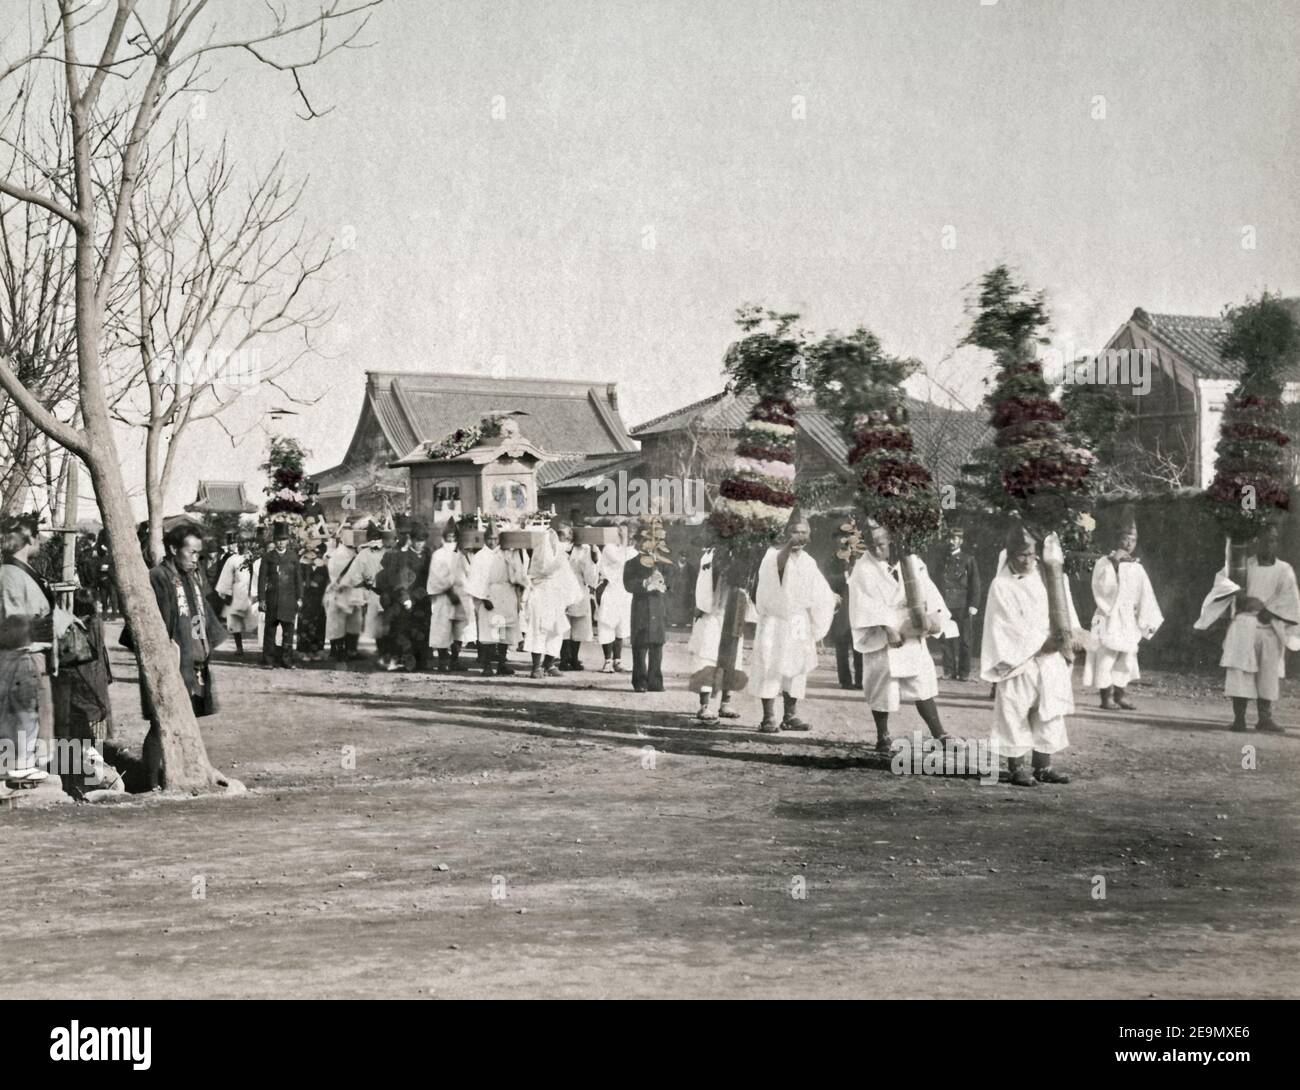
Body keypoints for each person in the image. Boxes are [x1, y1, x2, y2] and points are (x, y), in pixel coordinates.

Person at [980, 525, 1080, 787]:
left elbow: (1064, 607)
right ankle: (1016, 767)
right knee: (1015, 710)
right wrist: (1039, 644)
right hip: (1018, 659)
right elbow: (1004, 625)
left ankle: (1043, 765)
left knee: (1049, 710)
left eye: (1031, 554)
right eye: (1021, 555)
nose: (1027, 560)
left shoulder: (1047, 577)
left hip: (1049, 656)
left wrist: (1066, 638)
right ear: (1010, 554)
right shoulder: (1001, 585)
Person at [849, 517, 952, 754]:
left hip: (912, 630)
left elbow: (928, 589)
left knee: (922, 682)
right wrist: (886, 627)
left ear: (891, 540)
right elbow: (862, 604)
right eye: (871, 545)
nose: (877, 549)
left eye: (881, 543)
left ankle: (939, 732)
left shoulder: (912, 561)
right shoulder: (863, 569)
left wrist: (934, 615)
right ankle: (882, 735)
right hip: (883, 635)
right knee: (882, 685)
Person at [1194, 522, 1299, 733]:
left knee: (1268, 674)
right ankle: (1239, 719)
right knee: (1240, 672)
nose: (1270, 544)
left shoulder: (1284, 569)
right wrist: (1240, 595)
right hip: (1243, 626)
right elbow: (1222, 582)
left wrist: (1267, 609)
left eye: (1274, 540)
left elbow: (1291, 599)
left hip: (1269, 627)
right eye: (1266, 539)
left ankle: (1264, 718)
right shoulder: (1242, 565)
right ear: (1256, 541)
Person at [141, 522, 224, 789]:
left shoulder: (192, 577)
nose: (195, 558)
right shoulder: (159, 577)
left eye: (199, 553)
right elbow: (156, 627)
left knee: (189, 719)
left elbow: (201, 618)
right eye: (191, 552)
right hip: (172, 663)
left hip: (194, 660)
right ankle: (151, 778)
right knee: (161, 721)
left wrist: (202, 646)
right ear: (174, 549)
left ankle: (184, 771)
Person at [747, 508, 836, 733]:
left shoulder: (808, 561)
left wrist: (831, 599)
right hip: (775, 621)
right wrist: (788, 545)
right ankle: (768, 717)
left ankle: (790, 715)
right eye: (795, 532)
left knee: (797, 666)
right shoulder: (772, 554)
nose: (800, 536)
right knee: (771, 664)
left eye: (804, 532)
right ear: (786, 532)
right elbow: (779, 566)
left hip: (798, 621)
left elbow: (819, 591)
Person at [1083, 514, 1163, 709]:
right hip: (1107, 614)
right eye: (1125, 539)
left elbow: (1146, 594)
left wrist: (1144, 618)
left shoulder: (1137, 567)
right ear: (1116, 539)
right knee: (1106, 655)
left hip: (1127, 618)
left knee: (1126, 656)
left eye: (1133, 540)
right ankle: (1106, 697)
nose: (1129, 543)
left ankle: (1121, 694)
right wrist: (1114, 565)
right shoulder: (1104, 563)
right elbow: (1101, 588)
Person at [52, 587, 123, 798]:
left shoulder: (76, 633)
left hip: (81, 697)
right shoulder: (95, 627)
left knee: (75, 743)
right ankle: (89, 782)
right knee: (91, 744)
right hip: (96, 696)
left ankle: (76, 784)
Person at [0, 512, 55, 783]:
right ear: (27, 538)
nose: (40, 541)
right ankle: (19, 765)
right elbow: (14, 619)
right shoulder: (9, 574)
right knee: (21, 711)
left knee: (33, 712)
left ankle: (29, 762)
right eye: (36, 535)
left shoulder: (21, 572)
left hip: (34, 650)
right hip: (23, 652)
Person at [687, 545, 748, 722]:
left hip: (734, 611)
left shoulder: (746, 554)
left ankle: (726, 703)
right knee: (708, 657)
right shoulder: (710, 555)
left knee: (733, 657)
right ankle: (704, 706)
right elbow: (706, 586)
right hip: (712, 613)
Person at [521, 521, 584, 678]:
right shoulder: (545, 543)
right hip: (541, 591)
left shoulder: (561, 552)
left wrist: (570, 596)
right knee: (539, 629)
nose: (566, 538)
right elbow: (544, 568)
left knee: (557, 630)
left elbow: (566, 575)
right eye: (563, 534)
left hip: (556, 594)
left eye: (568, 535)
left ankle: (549, 664)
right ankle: (536, 668)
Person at [465, 518, 526, 676]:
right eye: (490, 539)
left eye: (495, 539)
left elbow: (517, 573)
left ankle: (501, 664)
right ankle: (486, 665)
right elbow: (475, 580)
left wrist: (517, 554)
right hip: (489, 595)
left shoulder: (507, 554)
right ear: (485, 539)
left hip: (506, 593)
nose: (493, 542)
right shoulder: (480, 557)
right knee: (488, 632)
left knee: (503, 632)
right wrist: (483, 598)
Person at [623, 533, 672, 692]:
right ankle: (640, 681)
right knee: (640, 644)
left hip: (658, 606)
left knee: (657, 645)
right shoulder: (632, 563)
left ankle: (655, 682)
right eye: (644, 541)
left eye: (651, 540)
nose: (648, 543)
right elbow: (628, 584)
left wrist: (664, 583)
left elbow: (672, 582)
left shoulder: (663, 562)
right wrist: (645, 583)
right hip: (641, 606)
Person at [932, 524, 981, 681]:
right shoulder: (942, 559)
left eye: (955, 538)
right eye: (950, 538)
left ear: (961, 541)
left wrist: (974, 604)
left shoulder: (968, 559)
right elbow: (936, 581)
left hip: (963, 605)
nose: (952, 541)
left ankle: (964, 673)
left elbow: (975, 583)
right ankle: (948, 671)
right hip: (946, 604)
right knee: (946, 638)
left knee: (965, 641)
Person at [375, 516, 425, 671]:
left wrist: (416, 595)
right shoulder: (392, 554)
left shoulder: (415, 555)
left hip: (414, 598)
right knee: (396, 629)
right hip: (396, 599)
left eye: (408, 534)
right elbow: (387, 577)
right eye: (402, 533)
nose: (405, 537)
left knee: (413, 629)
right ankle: (395, 658)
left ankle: (413, 659)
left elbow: (421, 577)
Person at [427, 518, 472, 672]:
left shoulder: (461, 554)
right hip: (444, 596)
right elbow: (436, 576)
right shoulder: (438, 554)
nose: (451, 540)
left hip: (460, 596)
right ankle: (442, 661)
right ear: (444, 537)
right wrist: (448, 590)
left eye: (454, 537)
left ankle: (455, 660)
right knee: (442, 629)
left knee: (459, 629)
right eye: (449, 537)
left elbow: (468, 574)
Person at [259, 523, 302, 669]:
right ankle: (268, 660)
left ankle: (287, 660)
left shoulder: (293, 557)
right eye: (277, 539)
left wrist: (299, 597)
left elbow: (298, 579)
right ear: (274, 541)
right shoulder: (268, 557)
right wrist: (262, 599)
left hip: (289, 600)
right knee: (270, 631)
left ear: (288, 541)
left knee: (288, 632)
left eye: (283, 540)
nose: (280, 542)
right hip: (272, 599)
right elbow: (261, 579)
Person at [595, 522, 637, 672]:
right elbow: (620, 560)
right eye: (623, 532)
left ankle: (617, 661)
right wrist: (623, 539)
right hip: (610, 590)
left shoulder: (631, 550)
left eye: (629, 533)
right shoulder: (609, 548)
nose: (628, 536)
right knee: (607, 625)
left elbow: (634, 564)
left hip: (624, 593)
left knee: (621, 627)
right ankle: (607, 661)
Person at [560, 526, 599, 671]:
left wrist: (594, 559)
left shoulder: (588, 550)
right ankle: (563, 659)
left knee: (578, 626)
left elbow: (590, 577)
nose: (568, 537)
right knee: (563, 625)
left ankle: (574, 658)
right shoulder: (561, 548)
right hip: (562, 589)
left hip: (579, 589)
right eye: (565, 535)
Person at [325, 527, 367, 662]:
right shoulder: (339, 554)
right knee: (339, 623)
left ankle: (349, 650)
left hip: (353, 593)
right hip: (342, 591)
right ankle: (338, 651)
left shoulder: (354, 553)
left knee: (353, 622)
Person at [215, 535, 259, 656]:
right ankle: (239, 647)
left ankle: (262, 646)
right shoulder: (232, 560)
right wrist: (227, 593)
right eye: (241, 544)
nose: (243, 546)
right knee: (235, 621)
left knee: (256, 619)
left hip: (253, 590)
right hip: (237, 592)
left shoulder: (255, 558)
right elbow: (226, 576)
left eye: (246, 544)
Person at [297, 542, 330, 661]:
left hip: (319, 599)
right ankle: (304, 650)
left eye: (316, 553)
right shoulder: (302, 566)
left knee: (319, 624)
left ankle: (316, 650)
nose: (314, 555)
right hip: (306, 599)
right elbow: (299, 582)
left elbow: (327, 584)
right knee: (305, 624)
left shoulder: (323, 567)